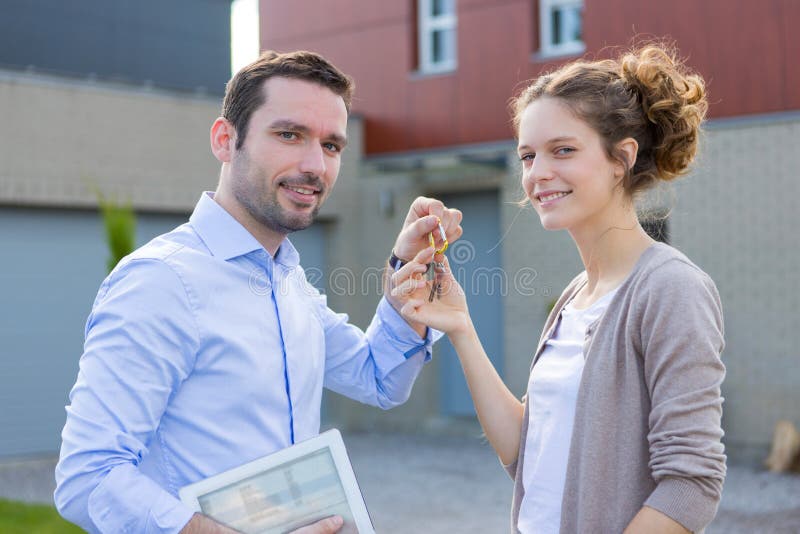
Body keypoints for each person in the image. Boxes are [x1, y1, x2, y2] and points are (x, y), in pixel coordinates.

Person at [54, 50, 462, 534]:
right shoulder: (161, 282)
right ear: (225, 140)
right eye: (289, 134)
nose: (315, 165)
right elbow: (89, 477)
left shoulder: (287, 280)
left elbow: (378, 378)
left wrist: (406, 275)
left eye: (331, 145)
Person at [392, 44, 725, 533]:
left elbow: (691, 486)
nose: (537, 173)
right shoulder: (575, 296)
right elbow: (524, 453)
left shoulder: (670, 288)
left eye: (563, 150)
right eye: (528, 156)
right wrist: (461, 328)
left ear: (622, 159)